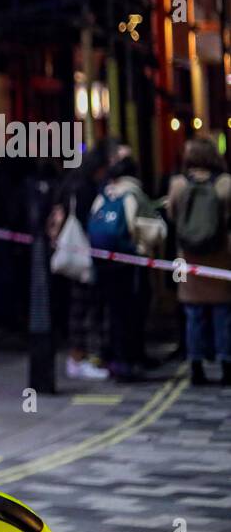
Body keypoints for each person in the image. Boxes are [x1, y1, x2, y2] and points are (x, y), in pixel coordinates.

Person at [88, 154, 165, 381]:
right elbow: (145, 230)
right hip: (130, 264)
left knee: (113, 312)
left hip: (104, 263)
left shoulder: (105, 194)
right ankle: (130, 360)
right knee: (132, 312)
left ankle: (117, 359)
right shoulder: (134, 194)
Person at [167, 137, 231, 385]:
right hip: (221, 257)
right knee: (223, 313)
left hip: (187, 259)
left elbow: (172, 216)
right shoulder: (225, 184)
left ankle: (195, 365)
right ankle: (226, 363)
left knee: (193, 313)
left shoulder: (179, 185)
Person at [47, 142, 113, 380]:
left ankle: (79, 357)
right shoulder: (85, 188)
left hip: (71, 252)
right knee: (83, 306)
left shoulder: (68, 182)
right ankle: (78, 358)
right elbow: (88, 221)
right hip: (81, 252)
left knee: (77, 305)